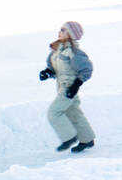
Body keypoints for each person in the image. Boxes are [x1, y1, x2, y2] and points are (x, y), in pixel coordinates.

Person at [39, 21, 95, 153]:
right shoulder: (57, 50)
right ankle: (87, 139)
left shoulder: (74, 52)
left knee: (54, 112)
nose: (60, 32)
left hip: (69, 87)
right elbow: (53, 68)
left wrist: (76, 85)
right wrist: (47, 72)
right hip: (61, 86)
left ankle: (69, 137)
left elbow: (86, 69)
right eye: (60, 29)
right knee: (73, 113)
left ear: (71, 34)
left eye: (63, 30)